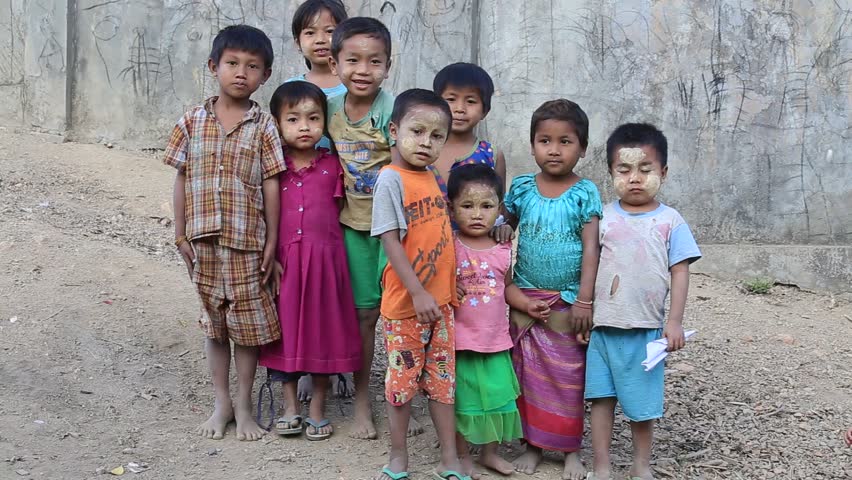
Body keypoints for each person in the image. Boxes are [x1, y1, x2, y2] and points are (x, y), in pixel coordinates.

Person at [163, 25, 284, 442]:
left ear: (265, 76)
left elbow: (271, 183)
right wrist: (180, 236)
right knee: (214, 326)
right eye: (232, 63)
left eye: (252, 67)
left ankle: (245, 404)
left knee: (246, 328)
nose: (240, 73)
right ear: (214, 67)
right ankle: (222, 403)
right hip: (203, 244)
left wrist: (272, 241)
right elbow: (180, 179)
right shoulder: (192, 121)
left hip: (248, 243)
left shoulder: (264, 126)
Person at [585, 123, 701, 480]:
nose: (635, 178)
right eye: (624, 170)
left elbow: (680, 272)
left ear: (663, 173)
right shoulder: (602, 216)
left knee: (641, 408)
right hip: (603, 329)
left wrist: (674, 321)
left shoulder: (670, 221)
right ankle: (601, 464)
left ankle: (640, 465)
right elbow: (589, 263)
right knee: (601, 400)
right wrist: (584, 308)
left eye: (645, 169)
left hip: (645, 333)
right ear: (610, 172)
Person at [371, 89, 469, 480]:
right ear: (394, 131)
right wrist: (417, 291)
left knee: (442, 383)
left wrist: (449, 284)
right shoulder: (391, 180)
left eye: (436, 135)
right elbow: (390, 240)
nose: (426, 142)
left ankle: (449, 458)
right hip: (406, 307)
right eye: (417, 131)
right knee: (402, 385)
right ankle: (399, 457)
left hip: (441, 304)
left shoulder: (432, 177)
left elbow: (439, 236)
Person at [503, 99, 602, 479]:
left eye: (566, 141)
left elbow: (592, 247)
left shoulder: (584, 192)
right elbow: (504, 224)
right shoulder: (523, 187)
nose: (555, 149)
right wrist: (500, 225)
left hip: (567, 299)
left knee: (568, 375)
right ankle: (533, 445)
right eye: (545, 140)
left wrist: (585, 300)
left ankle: (570, 449)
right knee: (527, 374)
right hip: (527, 297)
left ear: (582, 147)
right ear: (532, 145)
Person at [258, 81, 361, 441]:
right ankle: (290, 408)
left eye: (314, 118)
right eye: (294, 119)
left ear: (325, 122)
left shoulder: (335, 166)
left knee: (322, 334)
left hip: (325, 266)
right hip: (286, 265)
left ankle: (317, 409)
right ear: (276, 123)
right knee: (284, 335)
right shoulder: (273, 168)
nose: (305, 127)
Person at [325, 16, 398, 440]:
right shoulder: (328, 108)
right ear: (335, 63)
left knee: (399, 316)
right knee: (364, 317)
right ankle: (361, 400)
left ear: (387, 66)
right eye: (352, 60)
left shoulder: (392, 109)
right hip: (352, 228)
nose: (363, 70)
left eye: (374, 61)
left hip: (394, 231)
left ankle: (402, 394)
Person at [447, 164, 524, 478]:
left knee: (496, 398)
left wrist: (529, 305)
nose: (477, 214)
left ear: (499, 209)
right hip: (460, 341)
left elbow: (507, 287)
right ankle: (463, 455)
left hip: (495, 341)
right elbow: (437, 281)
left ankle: (489, 454)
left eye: (486, 206)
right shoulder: (450, 246)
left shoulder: (503, 249)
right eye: (467, 206)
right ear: (451, 208)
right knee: (462, 402)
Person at [284, 0, 348, 152]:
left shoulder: (354, 85)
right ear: (297, 43)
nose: (320, 40)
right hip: (302, 173)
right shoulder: (290, 88)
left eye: (330, 31)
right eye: (310, 33)